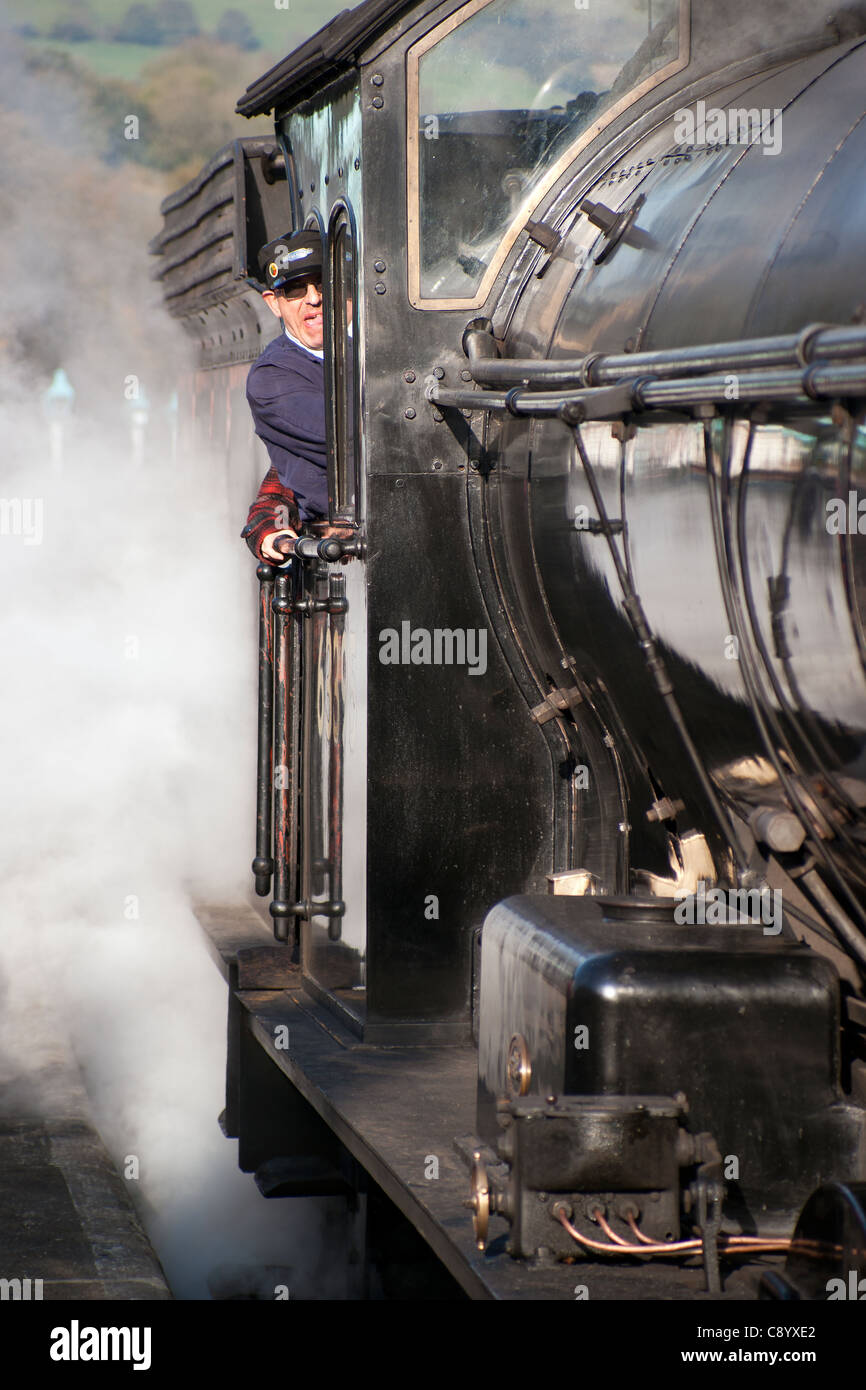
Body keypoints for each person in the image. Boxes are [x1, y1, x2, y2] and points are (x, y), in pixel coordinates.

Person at [241, 231, 330, 563]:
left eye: (323, 284)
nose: (313, 298)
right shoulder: (271, 379)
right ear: (273, 303)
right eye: (295, 290)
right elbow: (347, 438)